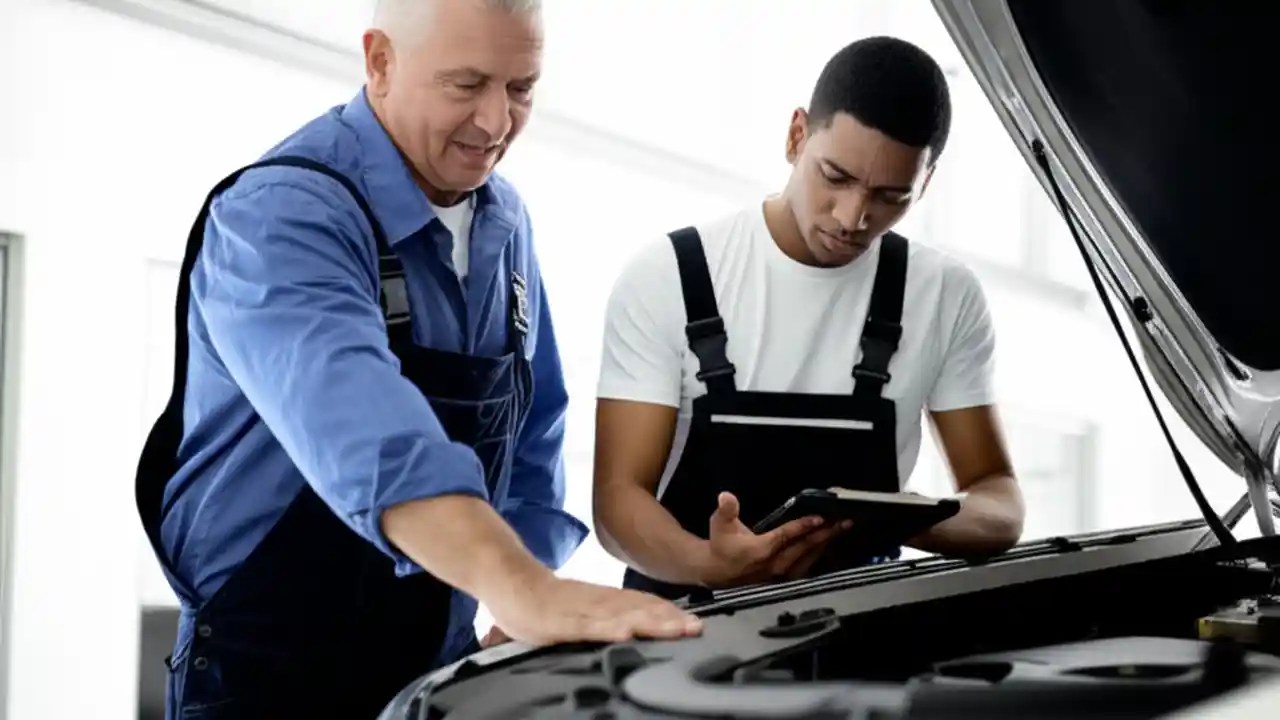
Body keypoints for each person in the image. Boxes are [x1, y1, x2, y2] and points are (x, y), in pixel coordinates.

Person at [134, 1, 700, 717]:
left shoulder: (504, 219)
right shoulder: (281, 214)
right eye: (466, 85)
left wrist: (509, 605)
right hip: (265, 679)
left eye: (521, 88)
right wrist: (523, 588)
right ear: (379, 61)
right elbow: (371, 437)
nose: (497, 123)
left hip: (434, 672)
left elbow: (532, 436)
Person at [592, 36, 1026, 601]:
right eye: (836, 177)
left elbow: (999, 501)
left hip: (863, 642)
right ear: (797, 136)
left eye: (891, 196)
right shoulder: (670, 276)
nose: (854, 218)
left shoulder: (945, 295)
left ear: (926, 183)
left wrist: (892, 517)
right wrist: (709, 564)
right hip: (680, 642)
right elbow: (617, 504)